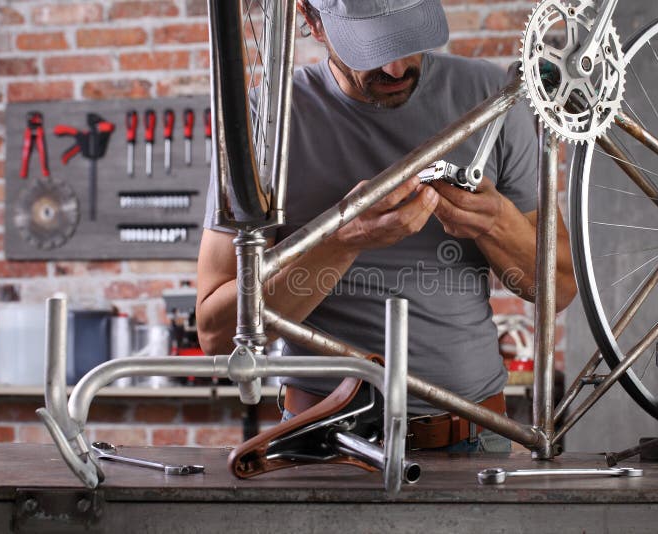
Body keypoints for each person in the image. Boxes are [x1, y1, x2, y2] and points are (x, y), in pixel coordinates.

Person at [197, 0, 577, 452]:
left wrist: (495, 222)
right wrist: (341, 240)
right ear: (313, 20)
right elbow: (217, 330)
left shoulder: (492, 98)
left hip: (474, 436)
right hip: (324, 442)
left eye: (407, 37)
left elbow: (559, 287)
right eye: (371, 46)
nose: (396, 67)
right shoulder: (265, 125)